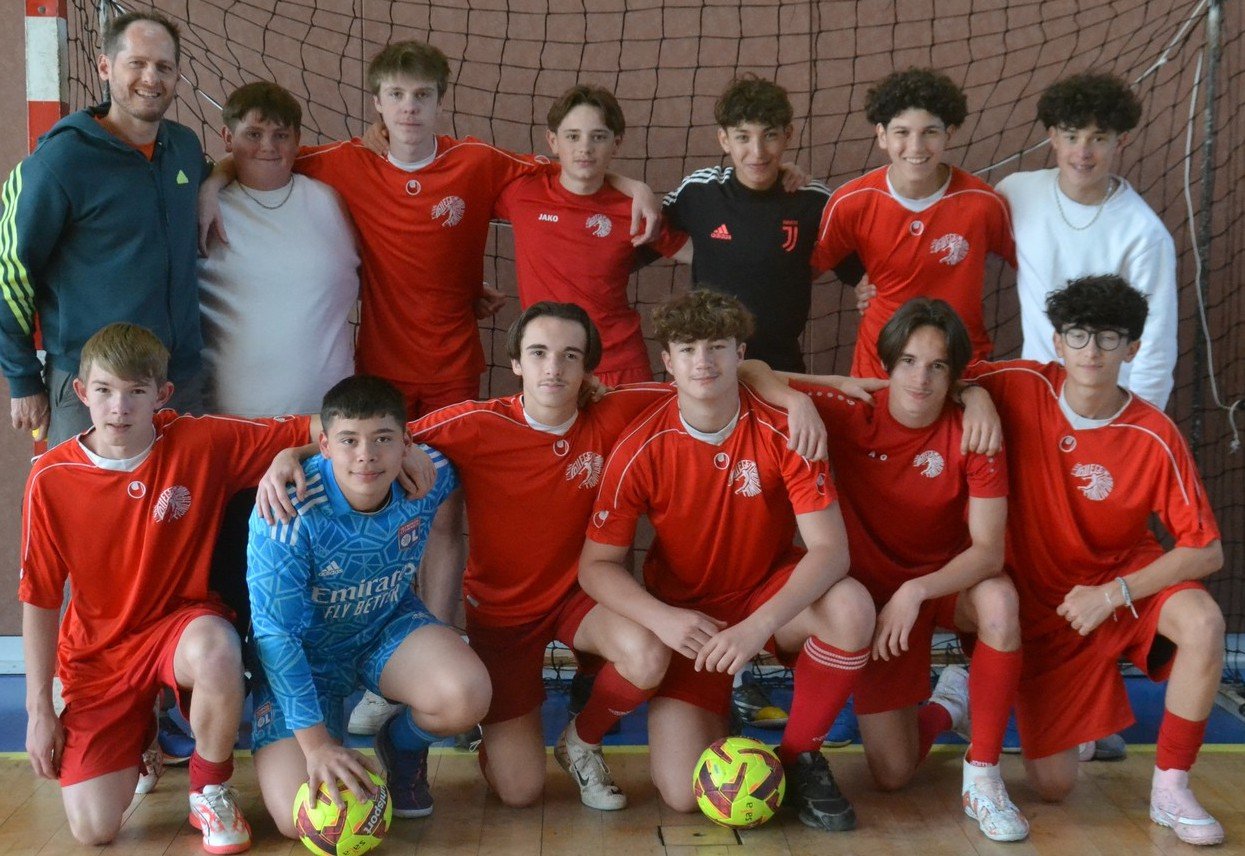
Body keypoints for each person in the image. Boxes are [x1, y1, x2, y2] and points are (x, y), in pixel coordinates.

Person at [579, 290, 875, 831]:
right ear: (667, 362)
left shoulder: (786, 426)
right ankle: (718, 711)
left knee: (851, 606)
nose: (703, 361)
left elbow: (832, 552)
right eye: (688, 349)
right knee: (682, 794)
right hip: (689, 619)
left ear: (740, 354)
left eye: (717, 346)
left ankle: (799, 756)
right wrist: (663, 620)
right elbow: (595, 567)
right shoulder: (641, 445)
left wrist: (757, 625)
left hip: (768, 597)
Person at [19, 322, 317, 853]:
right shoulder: (50, 478)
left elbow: (326, 428)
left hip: (181, 627)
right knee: (94, 830)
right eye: (105, 390)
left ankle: (208, 789)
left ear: (162, 394)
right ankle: (141, 735)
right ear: (82, 392)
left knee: (218, 649)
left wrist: (292, 454)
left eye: (136, 391)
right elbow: (40, 600)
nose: (119, 408)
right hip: (99, 656)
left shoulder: (199, 441)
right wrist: (40, 709)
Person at [744, 297, 1027, 842]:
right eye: (909, 362)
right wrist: (799, 400)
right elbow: (750, 369)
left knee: (999, 599)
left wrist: (915, 591)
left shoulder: (974, 432)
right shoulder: (850, 409)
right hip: (864, 605)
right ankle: (949, 704)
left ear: (954, 375)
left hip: (936, 589)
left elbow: (989, 552)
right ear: (888, 364)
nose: (920, 379)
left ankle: (984, 777)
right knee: (893, 774)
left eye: (937, 366)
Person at [962, 275, 1225, 846]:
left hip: (1119, 591)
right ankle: (974, 692)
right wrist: (974, 395)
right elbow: (943, 377)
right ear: (1058, 342)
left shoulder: (1154, 433)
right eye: (1079, 335)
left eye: (1109, 338)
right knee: (1054, 786)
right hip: (1044, 613)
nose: (1092, 351)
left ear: (1131, 349)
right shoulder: (1018, 382)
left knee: (1204, 623)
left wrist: (1114, 594)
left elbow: (1206, 549)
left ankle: (1171, 789)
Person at [247, 375, 486, 831]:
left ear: (406, 442)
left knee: (465, 695)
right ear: (324, 445)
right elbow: (276, 638)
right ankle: (326, 743)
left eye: (382, 439)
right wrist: (317, 746)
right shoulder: (286, 513)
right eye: (349, 441)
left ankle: (401, 745)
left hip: (384, 630)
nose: (366, 455)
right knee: (302, 820)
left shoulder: (427, 472)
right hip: (307, 660)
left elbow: (487, 427)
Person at [1, 11, 208, 446]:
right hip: (91, 388)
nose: (151, 78)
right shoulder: (60, 161)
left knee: (184, 493)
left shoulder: (185, 148)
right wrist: (22, 379)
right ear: (104, 67)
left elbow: (231, 170)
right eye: (137, 63)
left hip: (179, 382)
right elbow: (10, 272)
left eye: (164, 66)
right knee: (84, 494)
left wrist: (217, 182)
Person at [812, 67, 1015, 379]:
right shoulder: (851, 202)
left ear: (949, 134)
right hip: (878, 372)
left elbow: (1031, 265)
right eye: (902, 132)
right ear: (882, 135)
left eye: (930, 132)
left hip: (963, 369)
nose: (916, 147)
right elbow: (808, 268)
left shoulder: (983, 203)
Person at [995, 72, 1177, 409]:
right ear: (1053, 137)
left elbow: (1157, 344)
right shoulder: (1016, 192)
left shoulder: (1144, 234)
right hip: (1037, 397)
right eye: (1071, 136)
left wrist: (1137, 425)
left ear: (1120, 141)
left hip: (1109, 406)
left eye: (1098, 138)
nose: (1083, 152)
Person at [496, 85, 687, 385]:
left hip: (620, 364)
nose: (584, 148)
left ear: (616, 143)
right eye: (573, 136)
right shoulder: (522, 192)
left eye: (598, 137)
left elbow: (703, 254)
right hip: (551, 367)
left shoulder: (635, 209)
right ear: (553, 141)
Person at [198, 81, 359, 418]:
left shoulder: (330, 201)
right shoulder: (204, 209)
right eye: (253, 134)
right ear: (227, 138)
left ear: (297, 140)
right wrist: (212, 183)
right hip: (232, 426)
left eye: (281, 135)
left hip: (328, 426)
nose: (268, 146)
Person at [660, 75, 835, 373]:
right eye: (743, 137)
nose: (758, 152)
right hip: (709, 369)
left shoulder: (813, 200)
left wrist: (865, 287)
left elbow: (852, 260)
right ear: (724, 139)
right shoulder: (700, 192)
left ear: (788, 135)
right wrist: (702, 253)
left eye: (770, 136)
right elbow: (649, 230)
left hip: (782, 368)